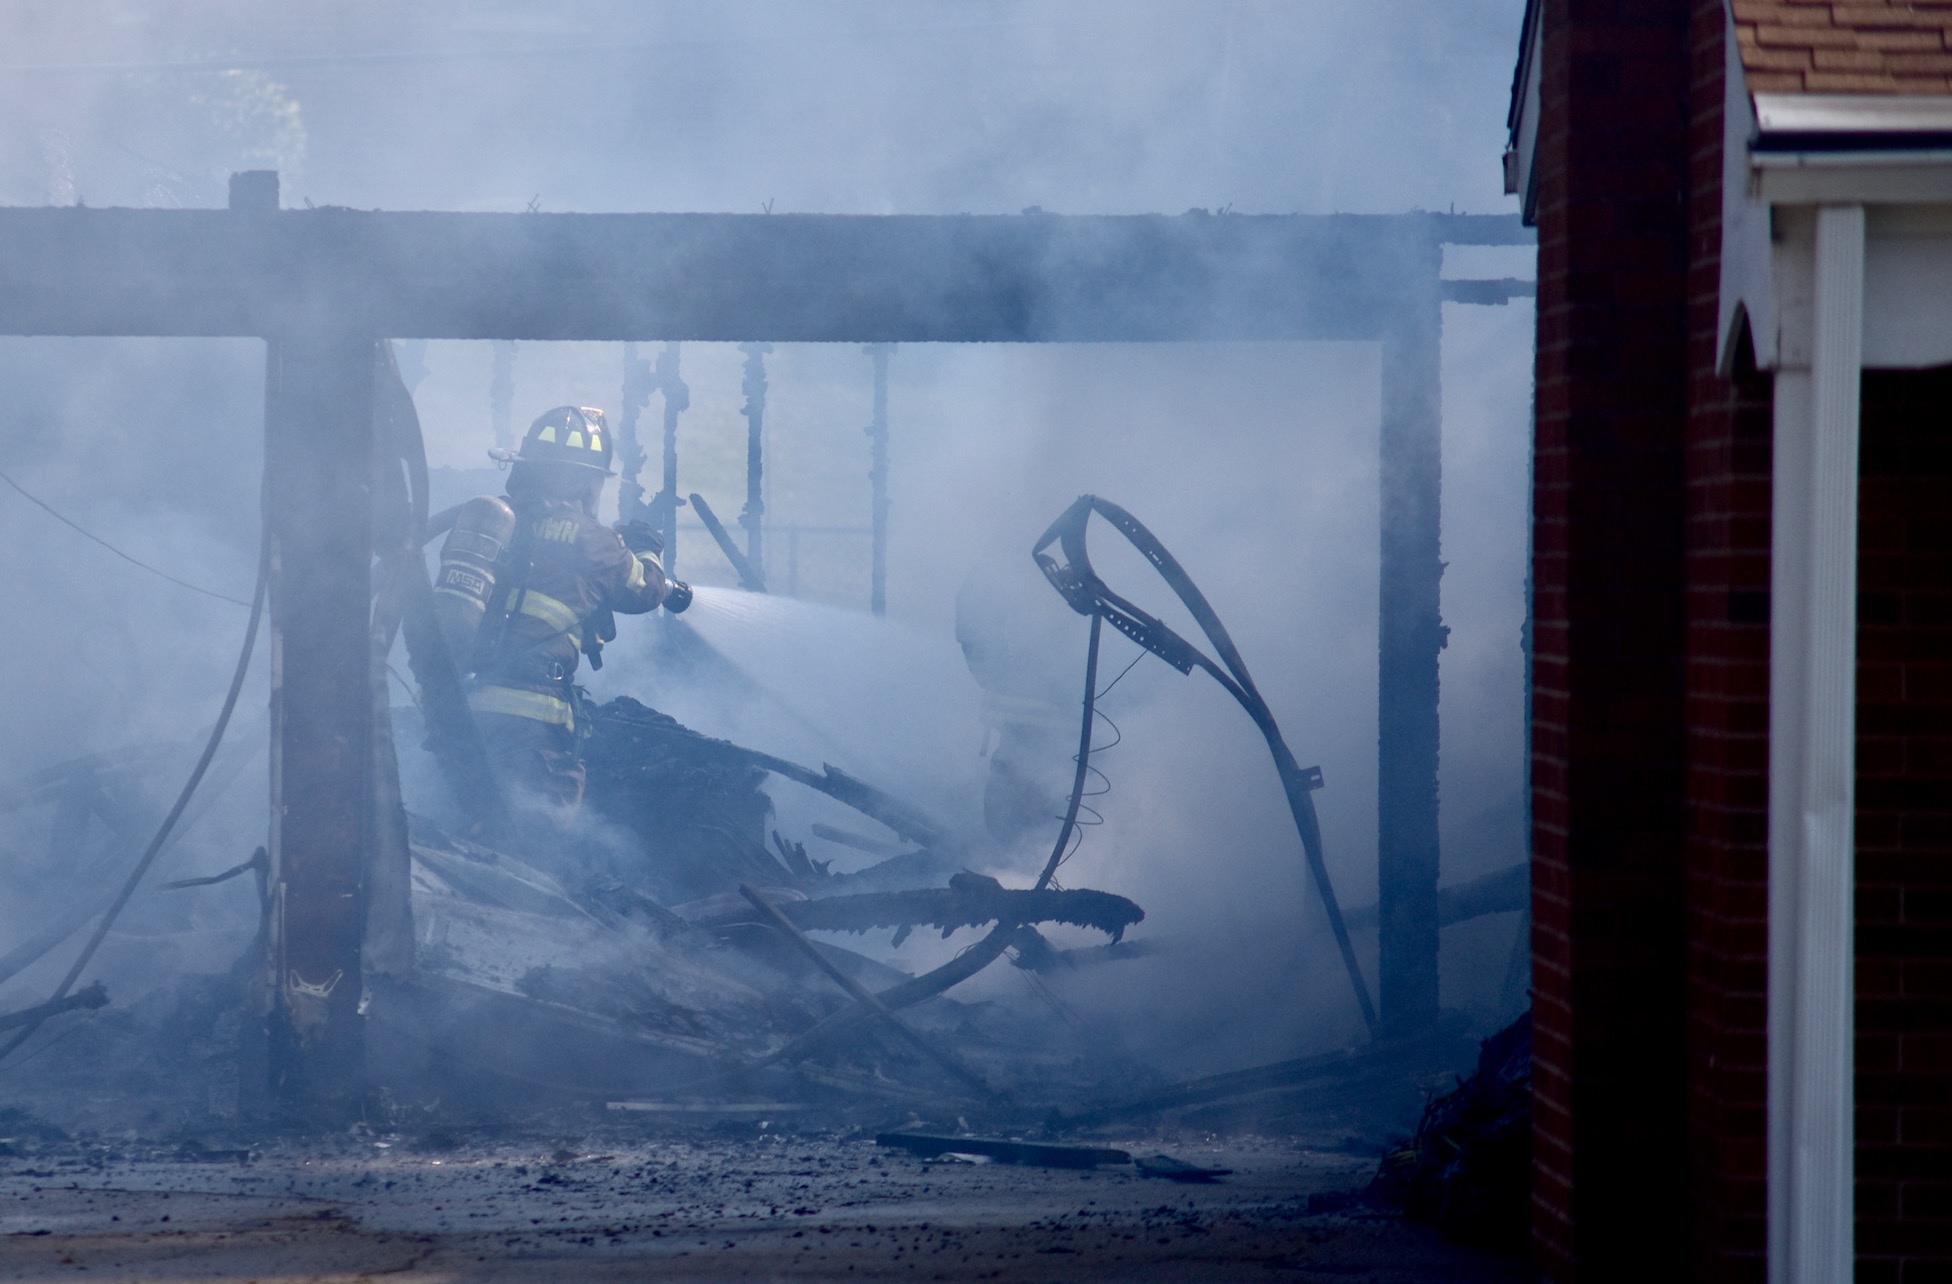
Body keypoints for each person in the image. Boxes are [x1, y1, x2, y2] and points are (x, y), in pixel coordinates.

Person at [431, 405, 688, 831]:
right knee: (538, 838)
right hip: (534, 725)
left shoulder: (497, 519)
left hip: (467, 707)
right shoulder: (592, 539)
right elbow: (646, 590)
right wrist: (645, 548)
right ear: (586, 480)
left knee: (465, 826)